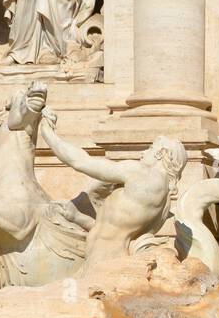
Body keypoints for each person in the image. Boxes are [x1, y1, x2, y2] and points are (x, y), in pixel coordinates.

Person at [37, 108, 187, 271]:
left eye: (150, 148)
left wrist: (47, 133)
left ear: (160, 155)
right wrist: (77, 217)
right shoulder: (164, 200)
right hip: (113, 258)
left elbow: (80, 162)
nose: (143, 153)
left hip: (102, 260)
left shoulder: (142, 173)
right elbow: (114, 228)